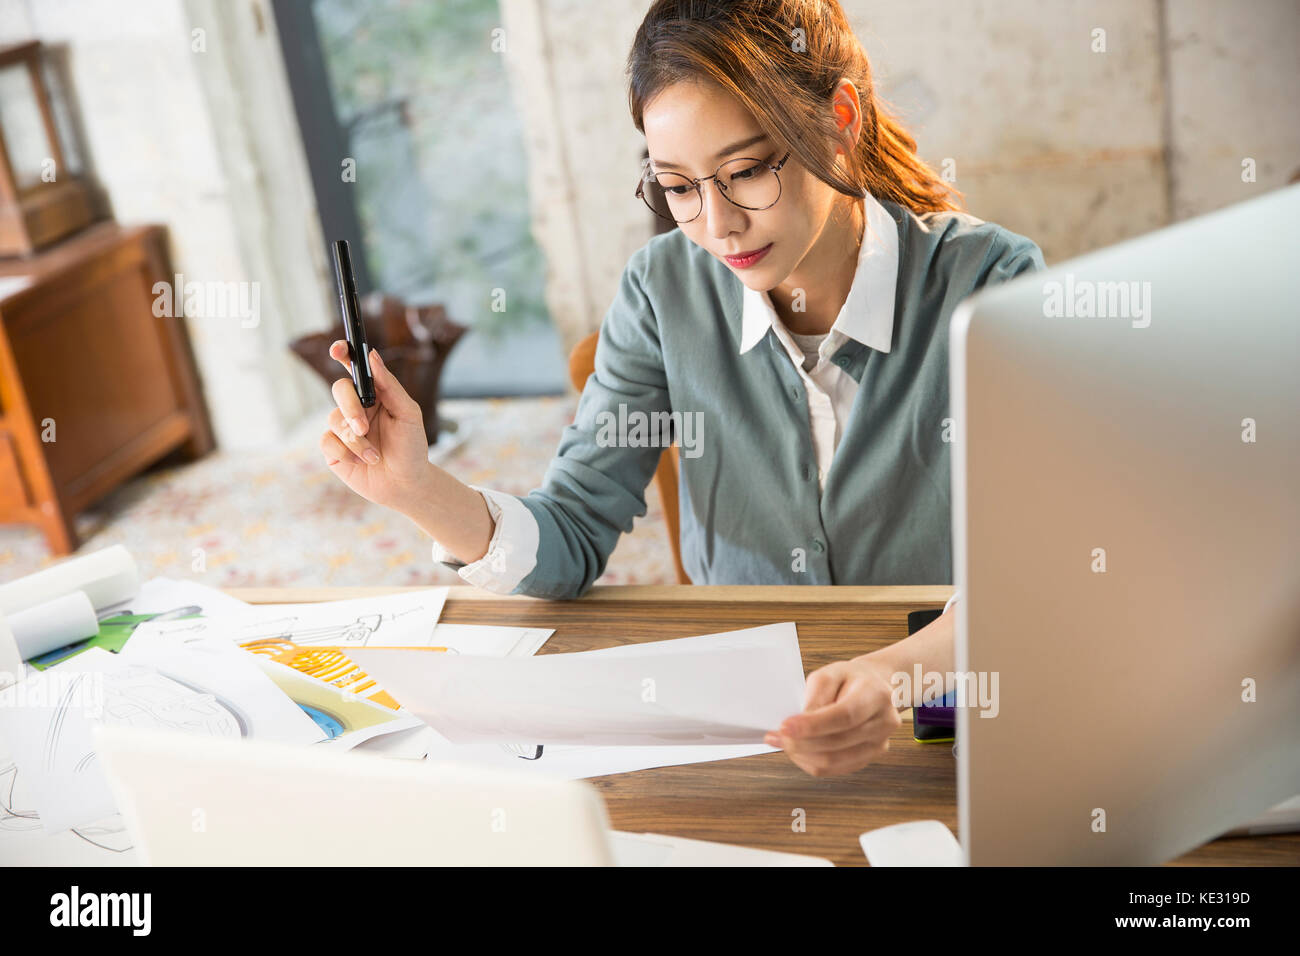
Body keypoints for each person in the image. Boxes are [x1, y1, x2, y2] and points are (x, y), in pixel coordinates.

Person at [319, 0, 1044, 777]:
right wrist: (417, 487)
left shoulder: (992, 286)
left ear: (839, 119)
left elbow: (1038, 565)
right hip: (751, 738)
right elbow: (569, 536)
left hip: (946, 713)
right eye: (679, 187)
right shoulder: (662, 293)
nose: (718, 224)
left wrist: (891, 675)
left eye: (745, 172)